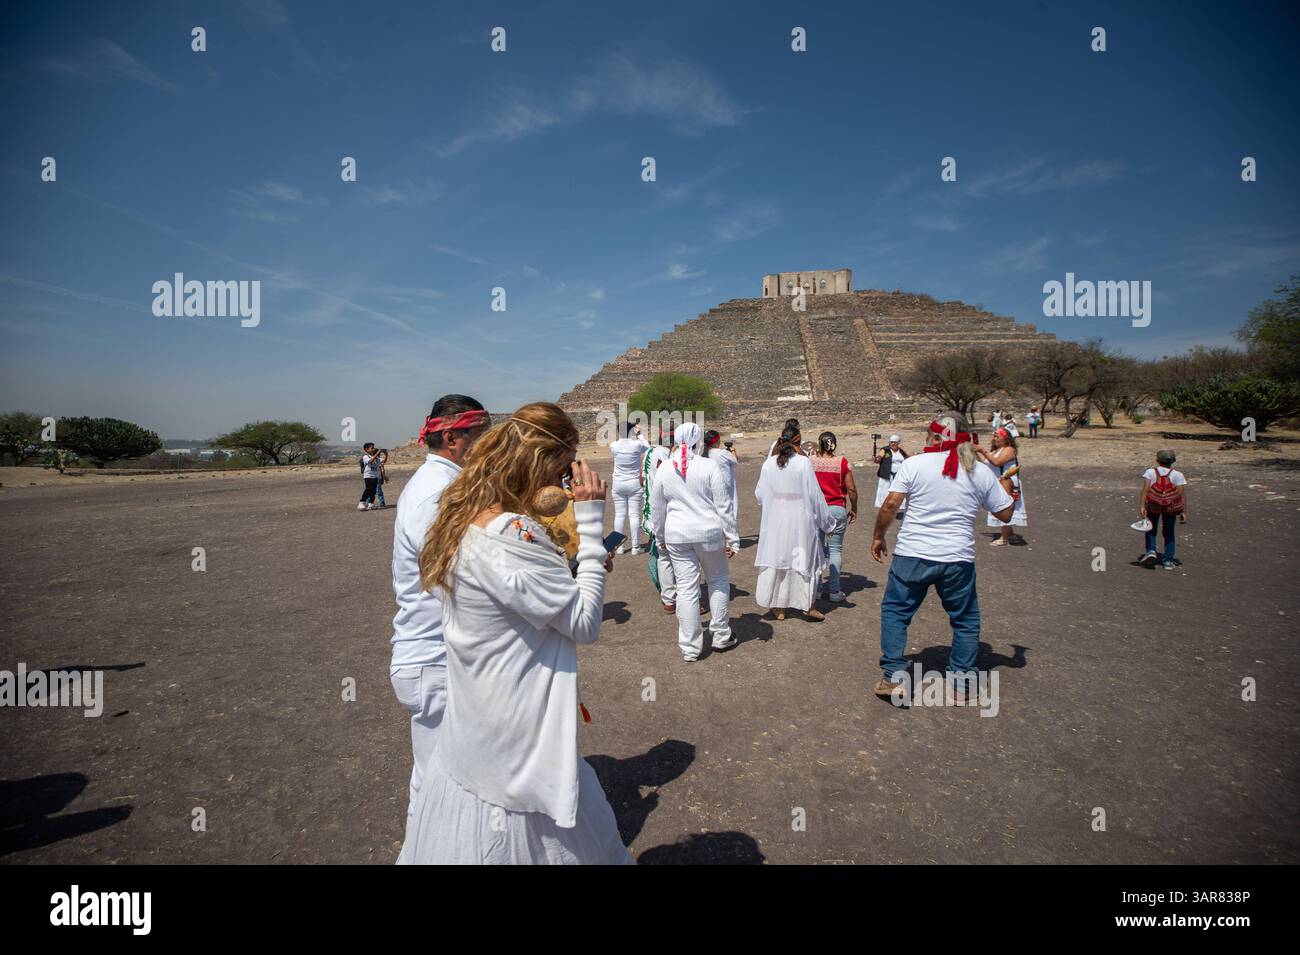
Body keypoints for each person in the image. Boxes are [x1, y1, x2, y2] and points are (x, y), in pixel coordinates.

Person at [399, 402, 631, 865]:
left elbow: (515, 597)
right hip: (517, 725)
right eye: (564, 468)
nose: (564, 482)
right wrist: (588, 524)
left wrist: (566, 564)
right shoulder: (513, 532)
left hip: (478, 714)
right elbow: (584, 623)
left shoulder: (464, 514)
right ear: (541, 463)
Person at [389, 397, 489, 825]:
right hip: (437, 659)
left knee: (432, 784)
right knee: (443, 793)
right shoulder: (439, 493)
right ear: (453, 438)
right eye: (481, 437)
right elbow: (463, 581)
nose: (489, 447)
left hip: (435, 656)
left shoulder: (443, 484)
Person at [870, 413, 1014, 700]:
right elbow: (1005, 512)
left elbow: (891, 503)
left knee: (897, 612)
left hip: (913, 554)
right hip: (957, 558)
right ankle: (960, 685)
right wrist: (1004, 480)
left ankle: (894, 677)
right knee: (964, 620)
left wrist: (878, 535)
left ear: (935, 436)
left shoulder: (914, 464)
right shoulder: (980, 471)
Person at [650, 422, 739, 662]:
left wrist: (660, 537)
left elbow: (658, 509)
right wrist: (732, 538)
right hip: (709, 533)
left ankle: (690, 647)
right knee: (718, 581)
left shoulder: (665, 468)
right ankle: (720, 635)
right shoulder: (709, 466)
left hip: (677, 535)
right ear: (698, 441)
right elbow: (723, 506)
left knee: (687, 589)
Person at [754, 426, 838, 622]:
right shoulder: (802, 463)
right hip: (800, 517)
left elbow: (759, 495)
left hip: (776, 518)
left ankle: (779, 607)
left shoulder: (768, 464)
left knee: (779, 557)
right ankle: (807, 606)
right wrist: (828, 523)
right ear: (798, 440)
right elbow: (815, 495)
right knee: (803, 558)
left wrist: (776, 501)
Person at [810, 431, 857, 602]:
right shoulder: (842, 462)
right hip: (837, 508)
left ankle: (816, 589)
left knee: (818, 550)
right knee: (835, 549)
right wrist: (854, 508)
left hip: (817, 510)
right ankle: (835, 591)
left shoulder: (811, 462)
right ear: (834, 444)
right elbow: (851, 489)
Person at [1139, 449, 1188, 570]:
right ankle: (1168, 561)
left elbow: (1145, 490)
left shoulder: (1151, 472)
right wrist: (1183, 512)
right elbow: (1181, 495)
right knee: (1169, 533)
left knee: (1150, 529)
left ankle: (1151, 551)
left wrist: (1142, 506)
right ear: (1173, 461)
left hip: (1153, 505)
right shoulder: (1178, 475)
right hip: (1170, 508)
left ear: (1157, 460)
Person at [978, 427, 1027, 545]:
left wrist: (983, 450)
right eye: (994, 436)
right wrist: (975, 450)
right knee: (1001, 507)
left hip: (1007, 481)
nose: (994, 439)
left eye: (997, 436)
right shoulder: (996, 451)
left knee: (1004, 507)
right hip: (998, 482)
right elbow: (985, 461)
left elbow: (997, 462)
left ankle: (1004, 538)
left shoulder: (1009, 449)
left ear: (1005, 439)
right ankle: (1010, 534)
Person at [608, 422, 649, 554]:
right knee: (634, 515)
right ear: (631, 431)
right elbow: (648, 448)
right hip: (634, 483)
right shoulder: (637, 444)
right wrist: (640, 435)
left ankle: (619, 547)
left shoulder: (613, 446)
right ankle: (636, 547)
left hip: (618, 483)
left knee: (619, 515)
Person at [702, 429, 739, 533]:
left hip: (710, 488)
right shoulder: (723, 453)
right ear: (716, 442)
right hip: (725, 488)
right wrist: (733, 452)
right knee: (728, 512)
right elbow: (735, 461)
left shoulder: (703, 454)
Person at [873, 434, 909, 512]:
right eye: (891, 442)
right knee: (884, 490)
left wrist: (903, 449)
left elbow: (909, 458)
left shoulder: (901, 451)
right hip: (887, 473)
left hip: (899, 474)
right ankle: (883, 506)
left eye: (894, 442)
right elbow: (878, 459)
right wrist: (877, 458)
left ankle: (901, 506)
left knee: (899, 490)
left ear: (898, 443)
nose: (892, 444)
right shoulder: (885, 450)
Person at [358, 442, 382, 510]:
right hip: (368, 476)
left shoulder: (376, 458)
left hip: (375, 476)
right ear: (367, 449)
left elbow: (381, 463)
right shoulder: (365, 456)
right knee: (368, 489)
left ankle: (371, 504)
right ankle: (362, 502)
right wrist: (377, 454)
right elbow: (370, 461)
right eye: (372, 448)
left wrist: (385, 454)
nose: (373, 449)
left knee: (373, 491)